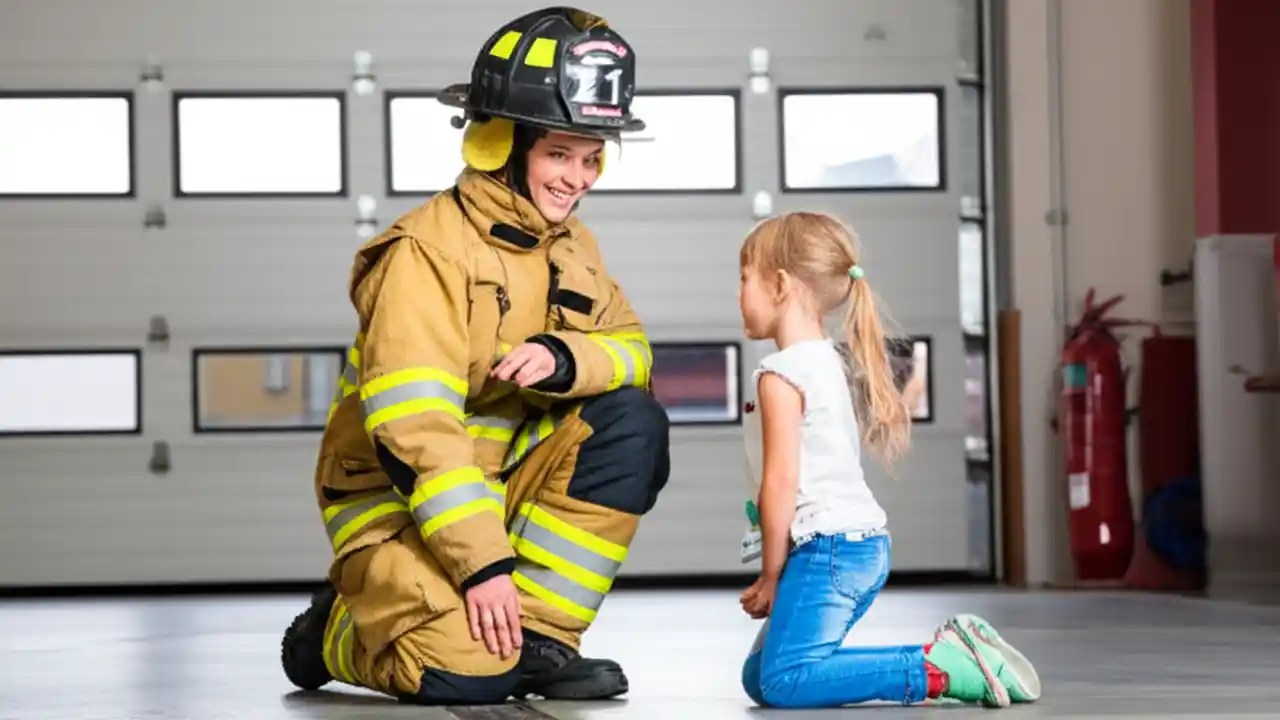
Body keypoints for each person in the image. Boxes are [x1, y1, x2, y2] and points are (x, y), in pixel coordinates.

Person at [278, 7, 670, 706]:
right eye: (560, 153)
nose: (578, 178)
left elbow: (633, 351)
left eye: (592, 157)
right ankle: (337, 630)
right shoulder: (424, 252)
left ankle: (542, 638)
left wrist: (564, 356)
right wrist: (485, 563)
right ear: (500, 143)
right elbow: (414, 427)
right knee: (464, 677)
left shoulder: (572, 244)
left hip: (502, 482)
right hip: (398, 501)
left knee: (631, 420)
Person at [734, 211, 1041, 709]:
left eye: (744, 279)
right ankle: (951, 655)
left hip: (829, 550)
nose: (738, 293)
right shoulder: (827, 360)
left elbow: (781, 480)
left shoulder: (780, 373)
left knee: (786, 679)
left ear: (781, 284)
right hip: (855, 547)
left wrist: (771, 573)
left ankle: (940, 668)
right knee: (761, 678)